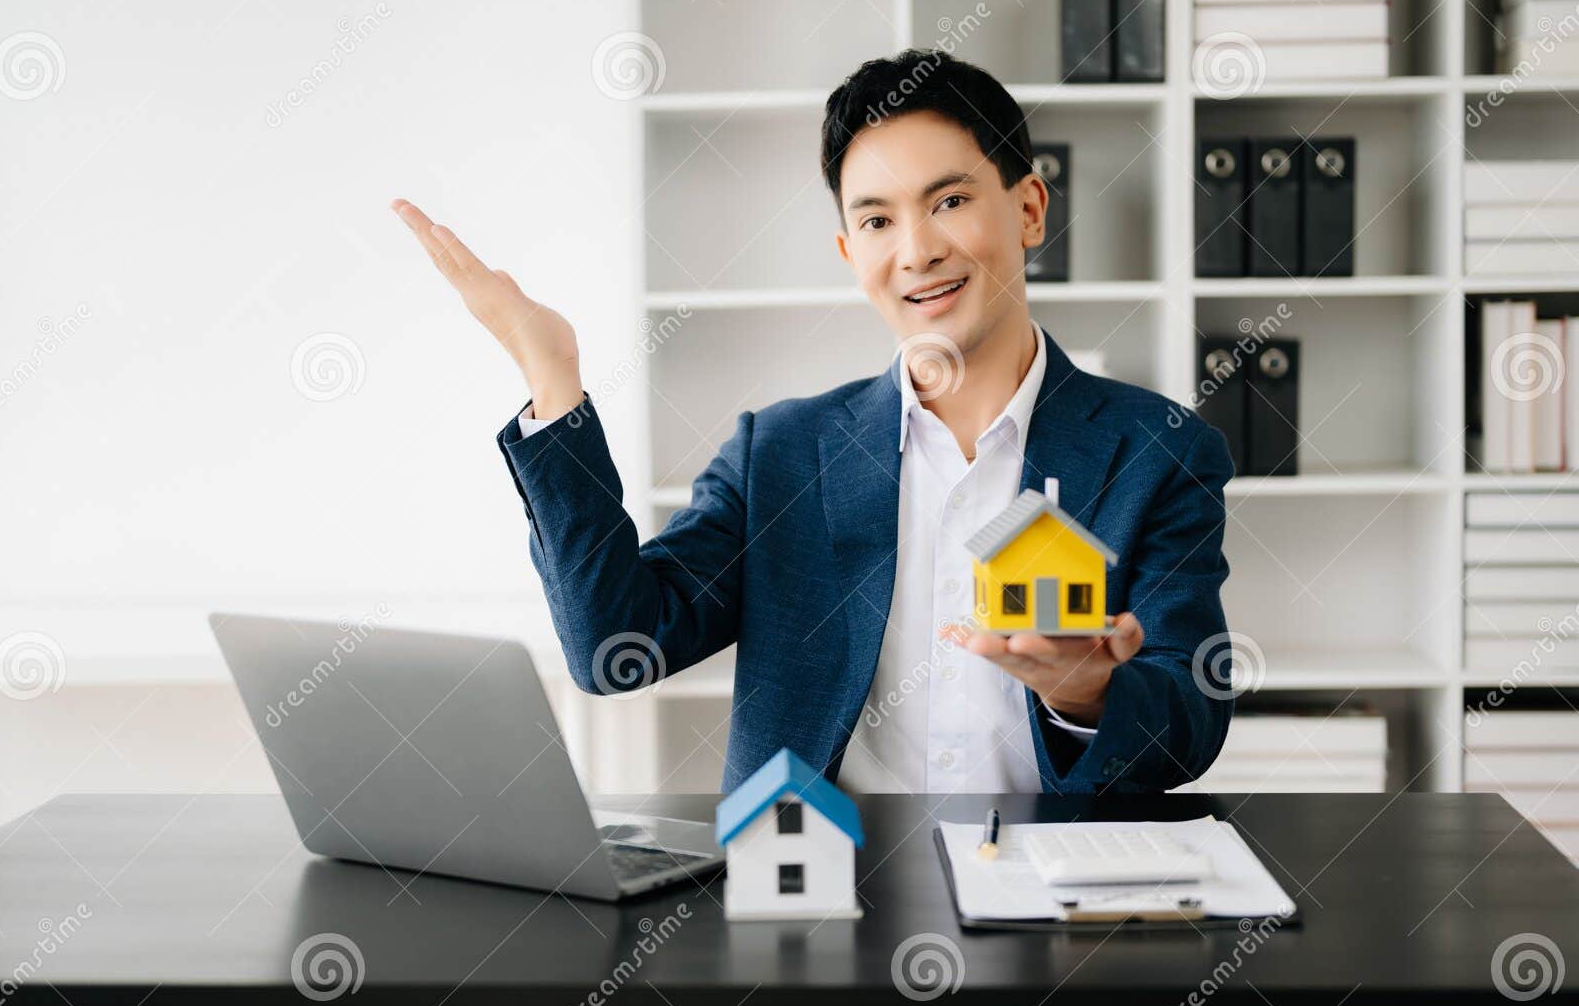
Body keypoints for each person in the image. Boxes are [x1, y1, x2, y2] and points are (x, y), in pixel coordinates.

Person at [391, 49, 1234, 795]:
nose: (915, 251)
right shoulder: (784, 454)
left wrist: (1084, 689)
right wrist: (552, 376)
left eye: (948, 201)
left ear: (1029, 210)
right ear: (848, 256)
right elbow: (617, 646)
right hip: (825, 899)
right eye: (876, 220)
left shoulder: (1159, 451)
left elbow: (1188, 728)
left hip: (1052, 904)